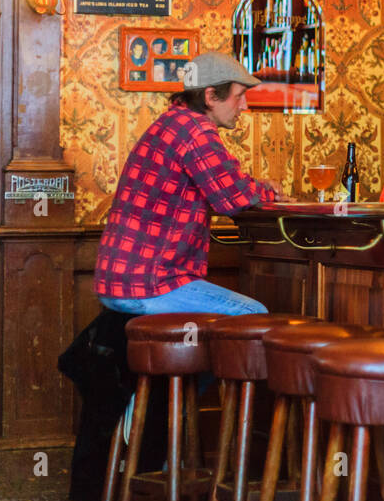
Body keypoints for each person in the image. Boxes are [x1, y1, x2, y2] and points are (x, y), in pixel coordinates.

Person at [94, 51, 282, 317]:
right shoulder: (196, 131)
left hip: (119, 280)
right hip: (148, 283)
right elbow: (234, 198)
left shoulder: (172, 121)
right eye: (239, 96)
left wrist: (254, 186)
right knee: (254, 314)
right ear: (210, 96)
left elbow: (223, 181)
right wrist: (270, 191)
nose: (244, 106)